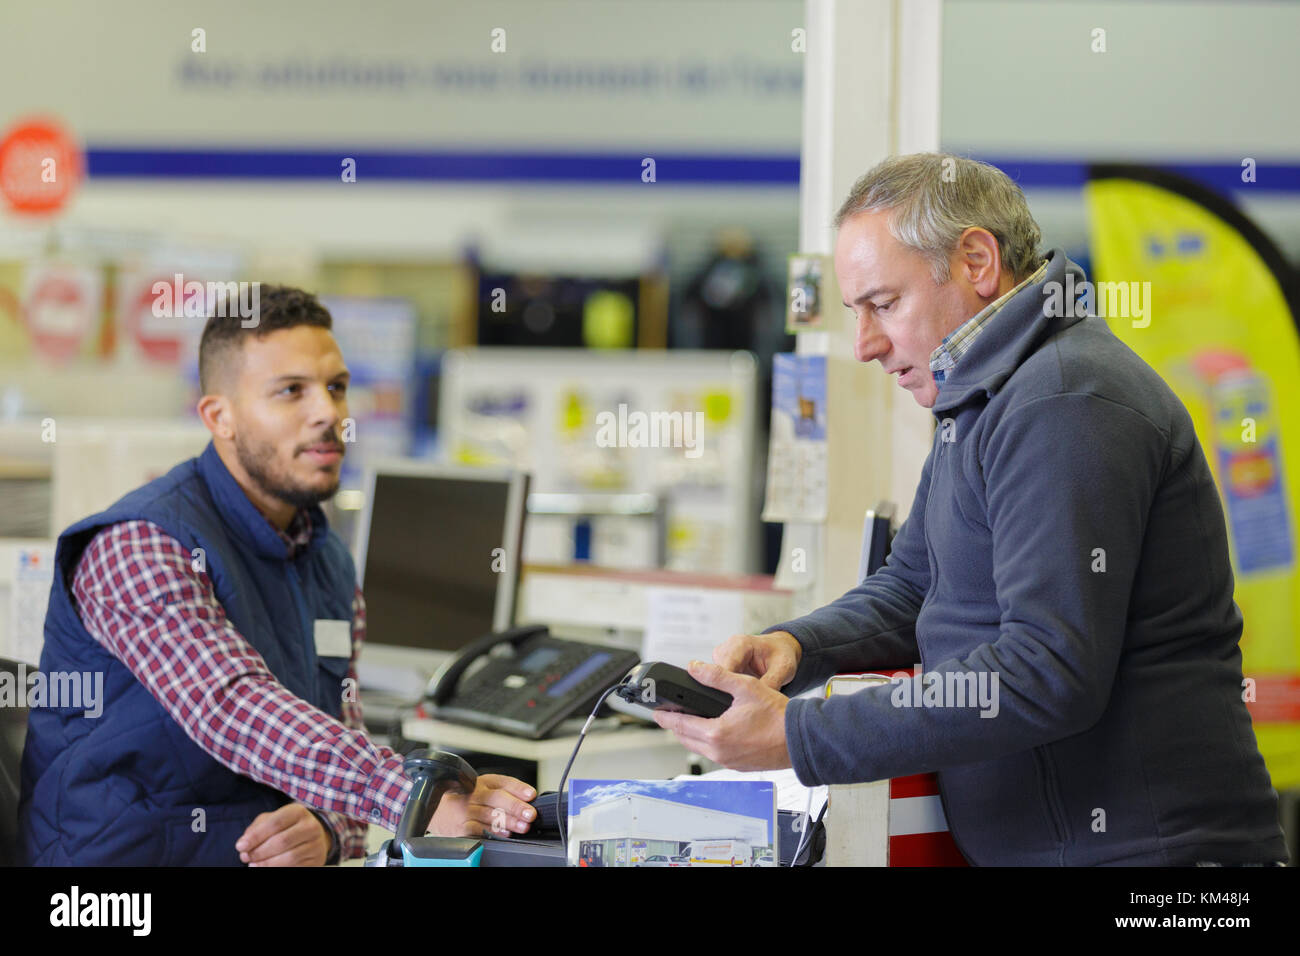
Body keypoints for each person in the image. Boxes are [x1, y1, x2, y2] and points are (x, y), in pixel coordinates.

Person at [653, 153, 1289, 866]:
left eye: (883, 305)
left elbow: (1045, 671)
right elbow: (913, 588)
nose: (865, 344)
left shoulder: (1064, 401)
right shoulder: (986, 399)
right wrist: (796, 649)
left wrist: (802, 735)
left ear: (978, 262)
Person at [19, 286, 537, 865]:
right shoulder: (139, 543)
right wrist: (415, 794)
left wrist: (326, 830)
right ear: (221, 417)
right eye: (292, 391)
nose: (329, 413)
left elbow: (340, 728)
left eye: (336, 388)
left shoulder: (327, 559)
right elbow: (230, 703)